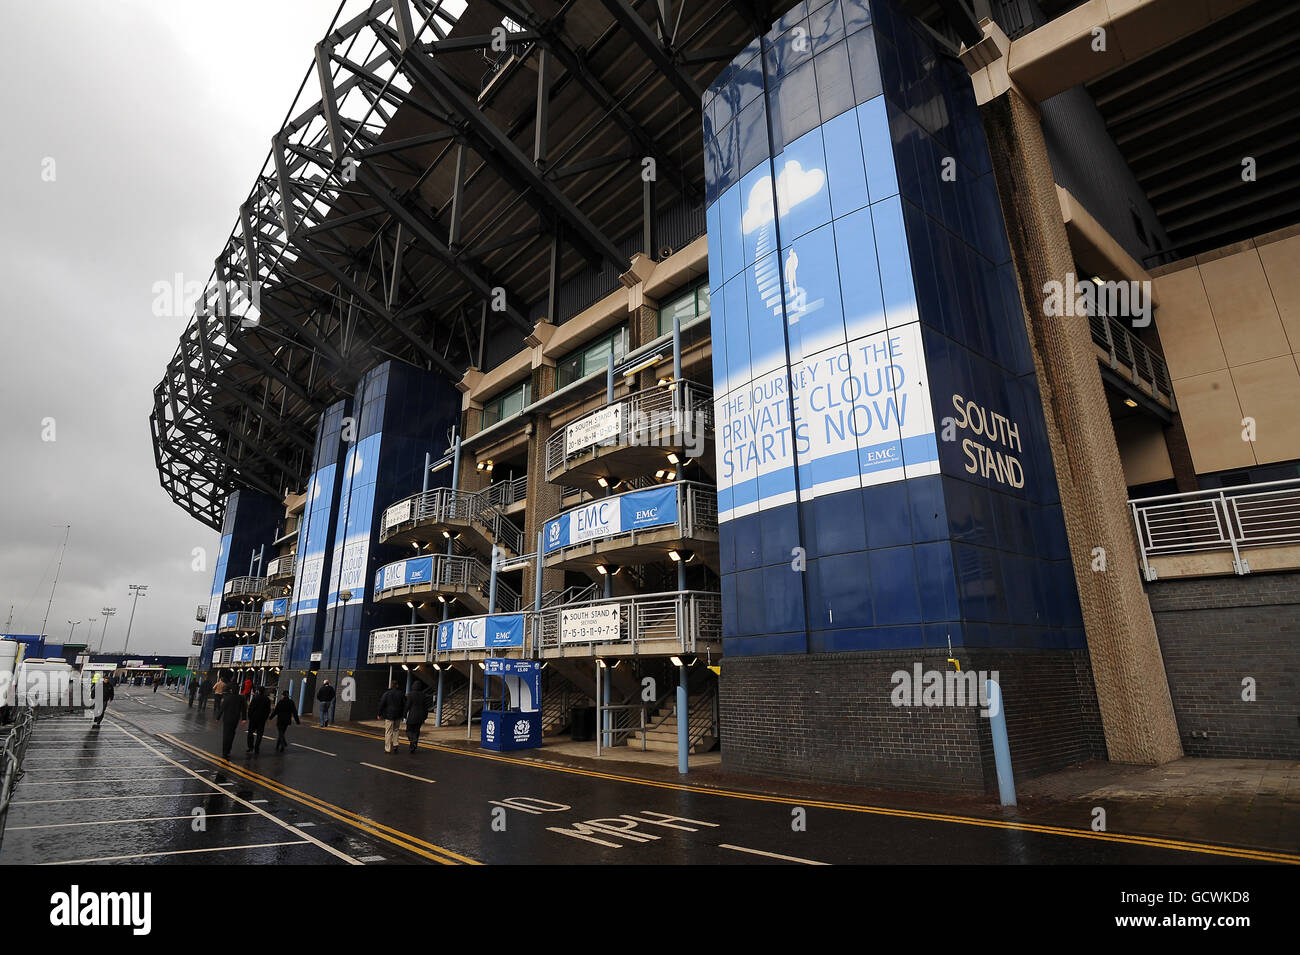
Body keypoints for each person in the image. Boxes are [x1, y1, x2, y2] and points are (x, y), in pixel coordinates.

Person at [218, 684, 247, 759]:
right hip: (235, 719)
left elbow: (222, 708)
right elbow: (244, 709)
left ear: (231, 690)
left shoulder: (227, 698)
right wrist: (244, 718)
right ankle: (228, 750)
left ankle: (224, 752)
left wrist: (218, 717)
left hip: (227, 719)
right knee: (231, 734)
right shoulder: (241, 698)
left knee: (226, 735)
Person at [377, 681, 406, 754]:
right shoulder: (401, 694)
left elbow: (381, 704)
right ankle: (395, 744)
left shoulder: (386, 694)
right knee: (396, 730)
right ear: (397, 685)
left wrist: (379, 714)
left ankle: (388, 748)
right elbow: (405, 704)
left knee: (388, 731)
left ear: (391, 686)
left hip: (389, 715)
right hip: (398, 715)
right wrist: (403, 714)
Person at [404, 681, 428, 754]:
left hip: (412, 715)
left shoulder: (410, 694)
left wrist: (404, 714)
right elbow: (425, 706)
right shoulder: (423, 695)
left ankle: (412, 741)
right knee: (416, 731)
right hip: (420, 716)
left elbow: (407, 705)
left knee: (408, 730)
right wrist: (425, 716)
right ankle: (413, 747)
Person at [246, 687, 272, 755]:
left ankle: (250, 747)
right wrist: (265, 718)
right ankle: (257, 748)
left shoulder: (255, 698)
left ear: (258, 691)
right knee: (259, 734)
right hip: (262, 719)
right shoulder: (267, 699)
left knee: (250, 733)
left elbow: (251, 708)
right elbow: (268, 710)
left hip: (254, 718)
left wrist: (249, 716)